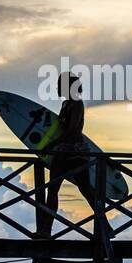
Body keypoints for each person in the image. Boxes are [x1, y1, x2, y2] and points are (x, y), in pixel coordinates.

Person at [37, 71, 94, 241]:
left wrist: (51, 145)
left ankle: (104, 224)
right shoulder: (66, 104)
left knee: (86, 190)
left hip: (75, 153)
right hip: (62, 152)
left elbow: (72, 130)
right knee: (53, 190)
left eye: (59, 84)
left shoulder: (76, 103)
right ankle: (45, 231)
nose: (56, 87)